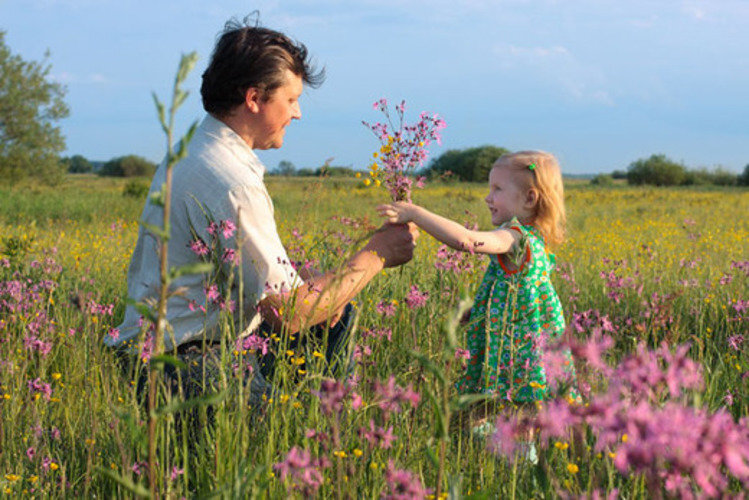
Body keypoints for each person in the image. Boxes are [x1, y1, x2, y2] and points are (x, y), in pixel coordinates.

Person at [108, 20, 418, 403]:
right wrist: (378, 254)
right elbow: (288, 314)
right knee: (306, 441)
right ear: (254, 99)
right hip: (183, 367)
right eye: (291, 100)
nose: (298, 113)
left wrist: (316, 290)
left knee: (336, 318)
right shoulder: (232, 180)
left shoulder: (196, 148)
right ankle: (332, 427)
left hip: (162, 355)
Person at [378, 151, 579, 409]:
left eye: (497, 189)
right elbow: (520, 295)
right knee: (519, 406)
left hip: (520, 348)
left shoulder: (515, 237)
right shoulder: (536, 238)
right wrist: (480, 310)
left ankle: (519, 449)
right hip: (527, 341)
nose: (488, 197)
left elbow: (467, 241)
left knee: (520, 410)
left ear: (530, 198)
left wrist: (415, 213)